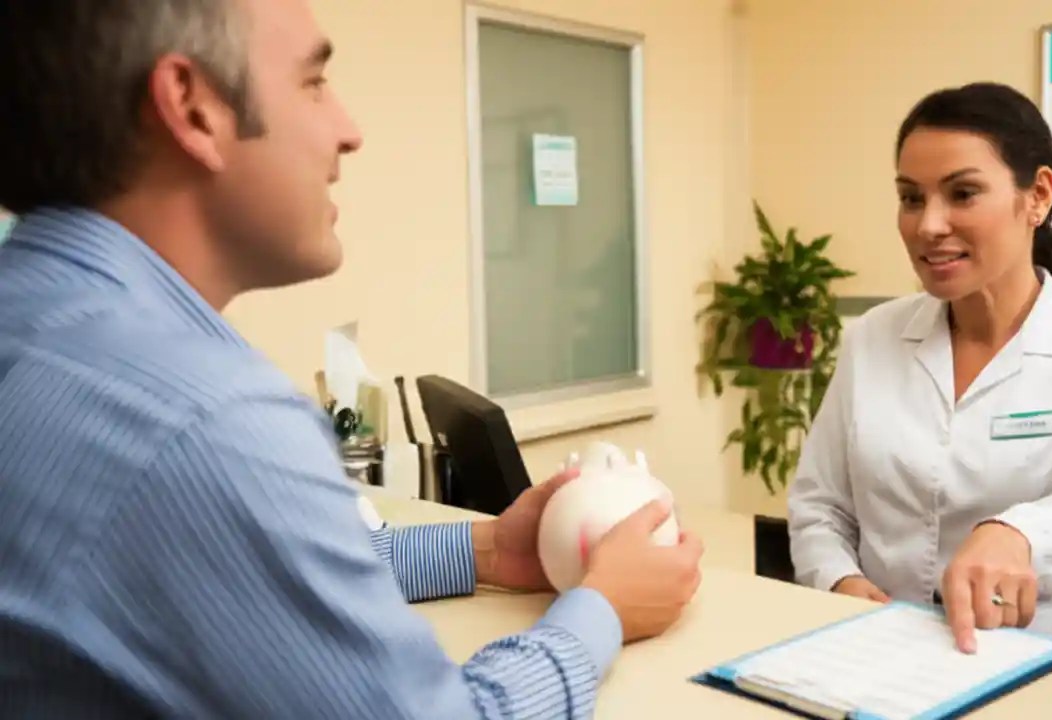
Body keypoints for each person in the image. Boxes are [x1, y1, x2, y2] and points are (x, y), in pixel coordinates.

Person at [0, 1, 703, 718]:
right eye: (313, 84)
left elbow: (251, 575)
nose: (349, 131)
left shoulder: (32, 326)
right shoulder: (204, 421)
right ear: (193, 107)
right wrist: (602, 611)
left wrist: (490, 551)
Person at [786, 82, 1052, 655]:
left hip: (1044, 653)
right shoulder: (871, 339)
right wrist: (839, 580)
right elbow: (820, 507)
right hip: (878, 648)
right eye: (911, 198)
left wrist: (1015, 533)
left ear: (1037, 196)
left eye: (962, 194)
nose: (928, 225)